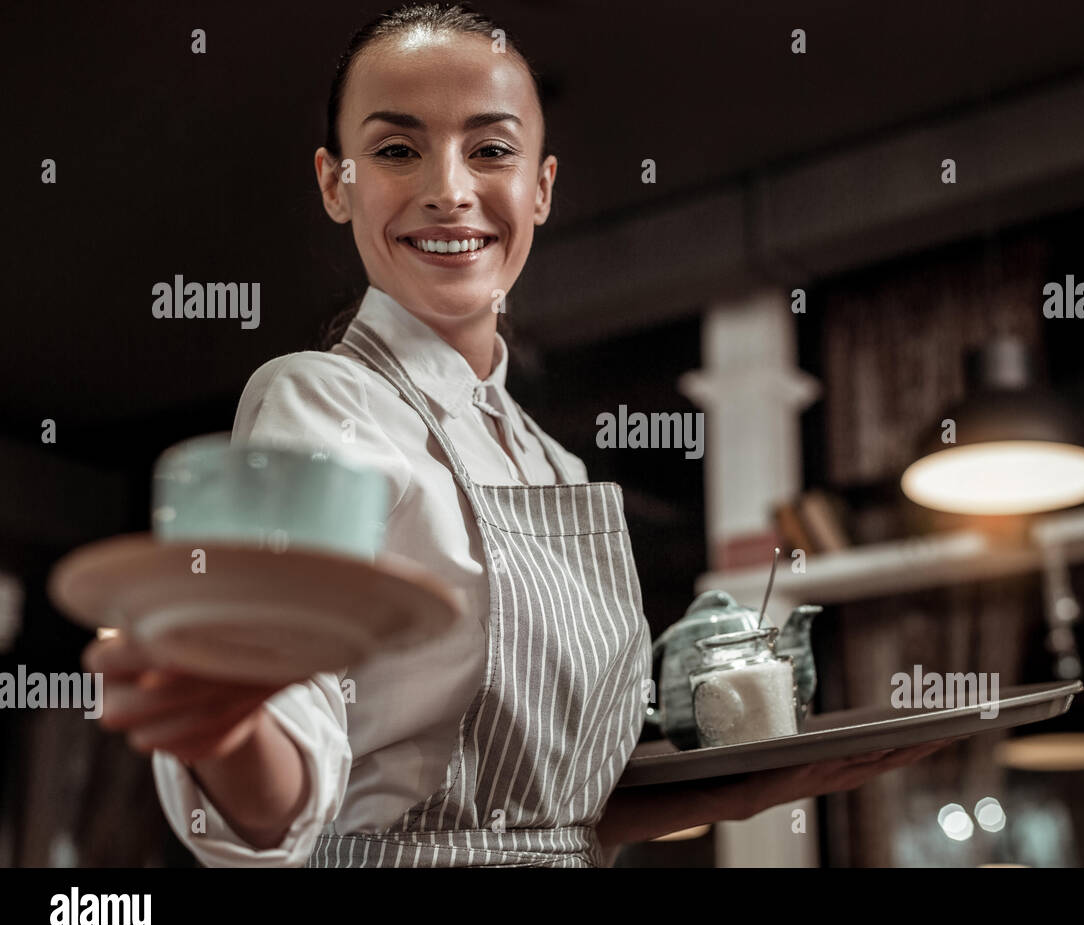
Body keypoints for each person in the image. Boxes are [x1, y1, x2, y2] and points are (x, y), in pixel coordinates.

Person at [84, 1, 957, 868]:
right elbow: (281, 792)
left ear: (540, 187)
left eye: (491, 149)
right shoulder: (318, 401)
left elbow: (556, 817)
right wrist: (226, 724)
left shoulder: (555, 462)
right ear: (334, 181)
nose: (449, 189)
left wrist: (765, 782)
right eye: (396, 149)